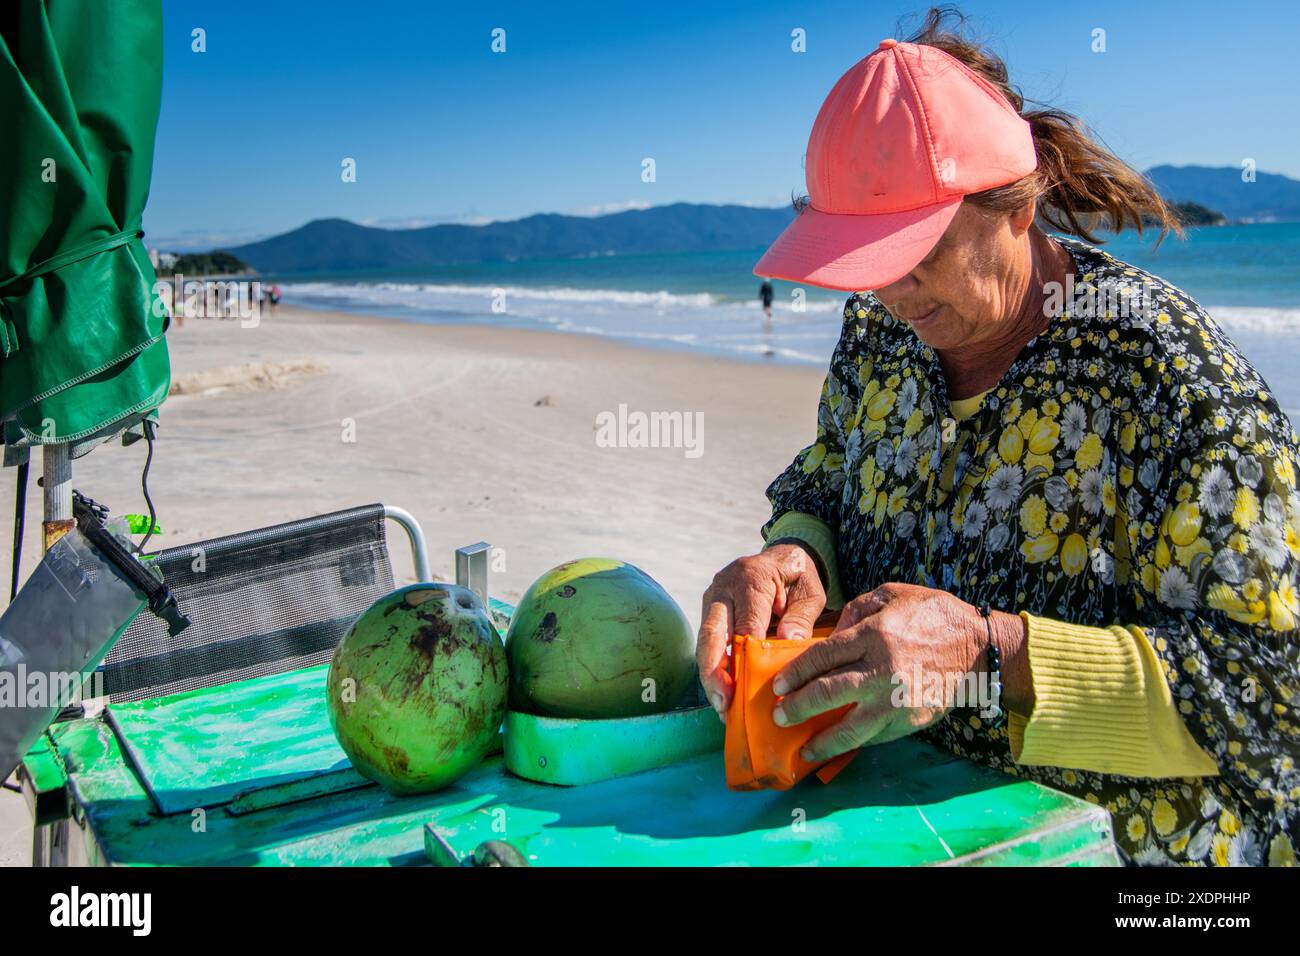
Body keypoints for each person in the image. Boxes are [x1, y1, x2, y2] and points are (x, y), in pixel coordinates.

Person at [697, 8, 1299, 866]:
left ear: (1019, 201)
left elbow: (1271, 697)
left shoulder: (1171, 380)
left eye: (917, 248)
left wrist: (987, 651)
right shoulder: (881, 330)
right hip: (921, 826)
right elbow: (830, 472)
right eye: (863, 256)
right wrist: (796, 554)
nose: (892, 288)